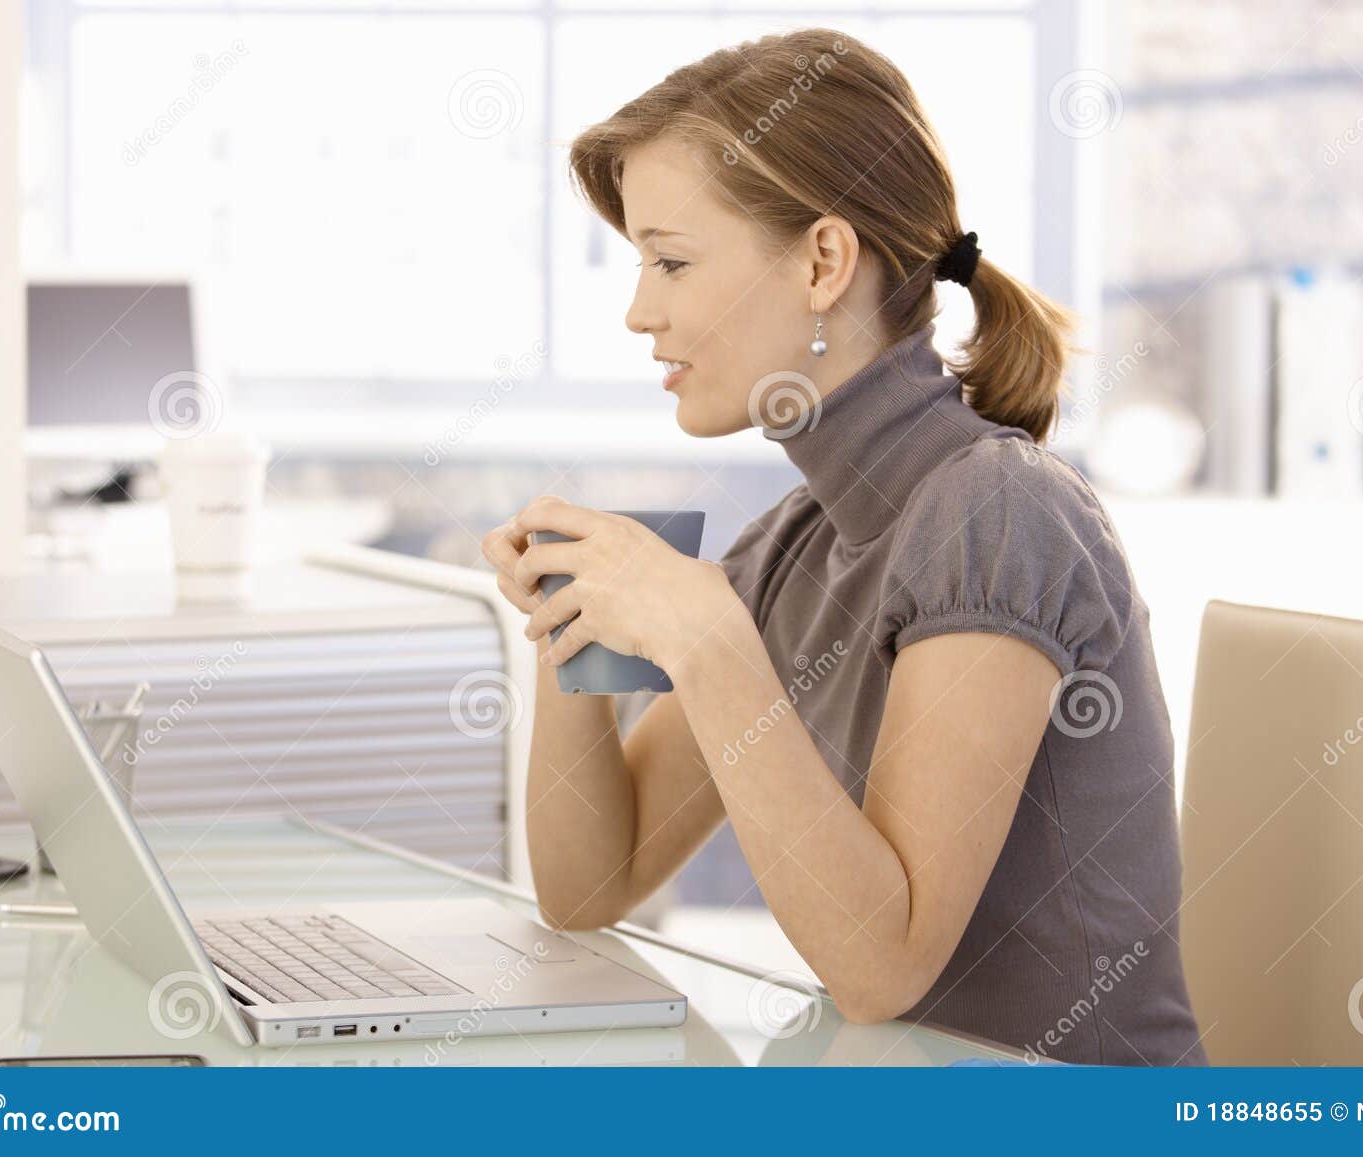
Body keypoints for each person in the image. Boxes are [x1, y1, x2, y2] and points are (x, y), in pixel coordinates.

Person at [481, 27, 1205, 1066]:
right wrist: (569, 614)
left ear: (823, 260)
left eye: (671, 261)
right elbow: (594, 883)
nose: (641, 312)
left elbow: (881, 968)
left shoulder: (998, 512)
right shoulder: (795, 541)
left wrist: (708, 640)